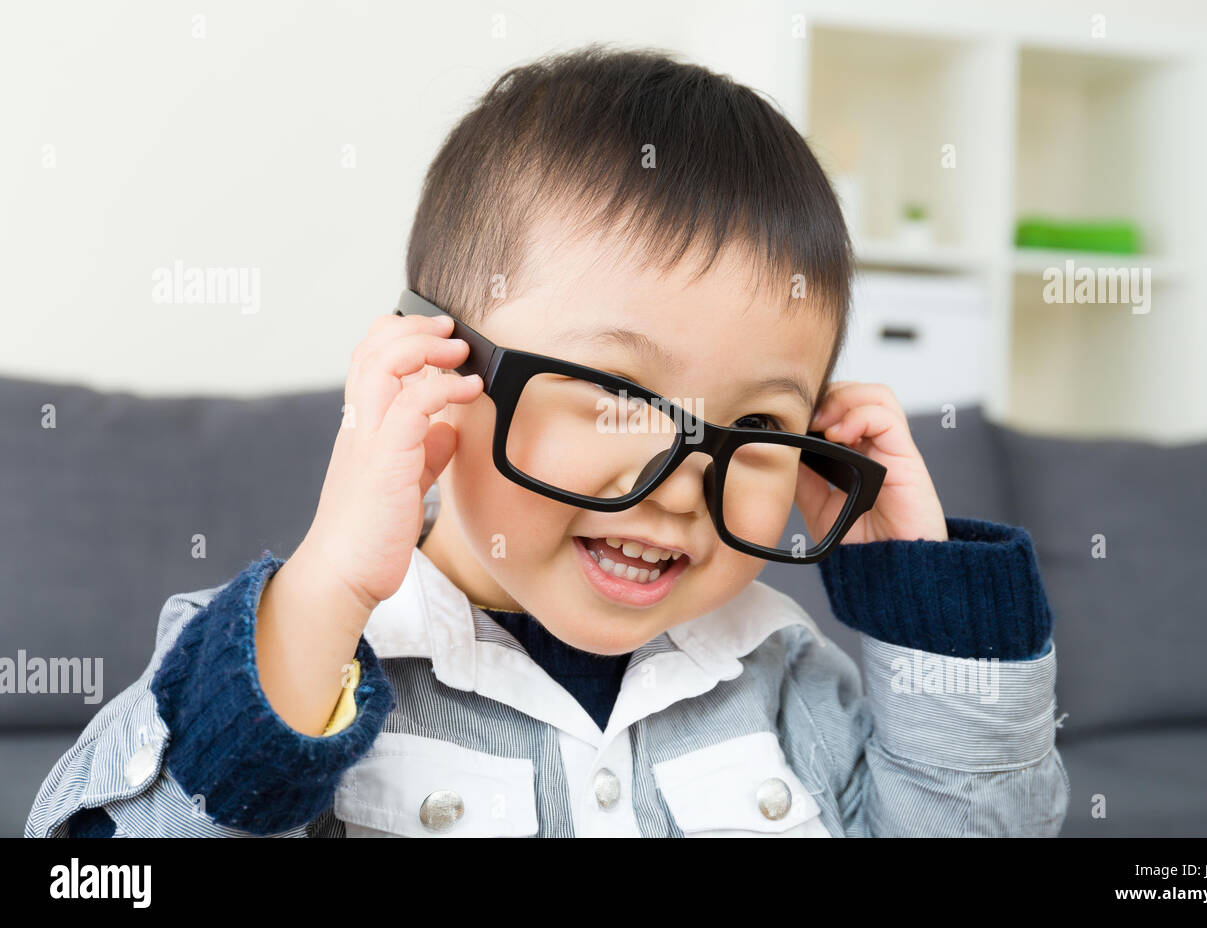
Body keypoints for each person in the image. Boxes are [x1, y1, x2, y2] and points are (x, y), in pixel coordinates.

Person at [27, 45, 1066, 837]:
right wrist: (326, 590)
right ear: (438, 373)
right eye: (617, 393)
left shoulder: (792, 682)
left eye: (756, 427)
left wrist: (935, 615)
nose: (679, 485)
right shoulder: (291, 657)